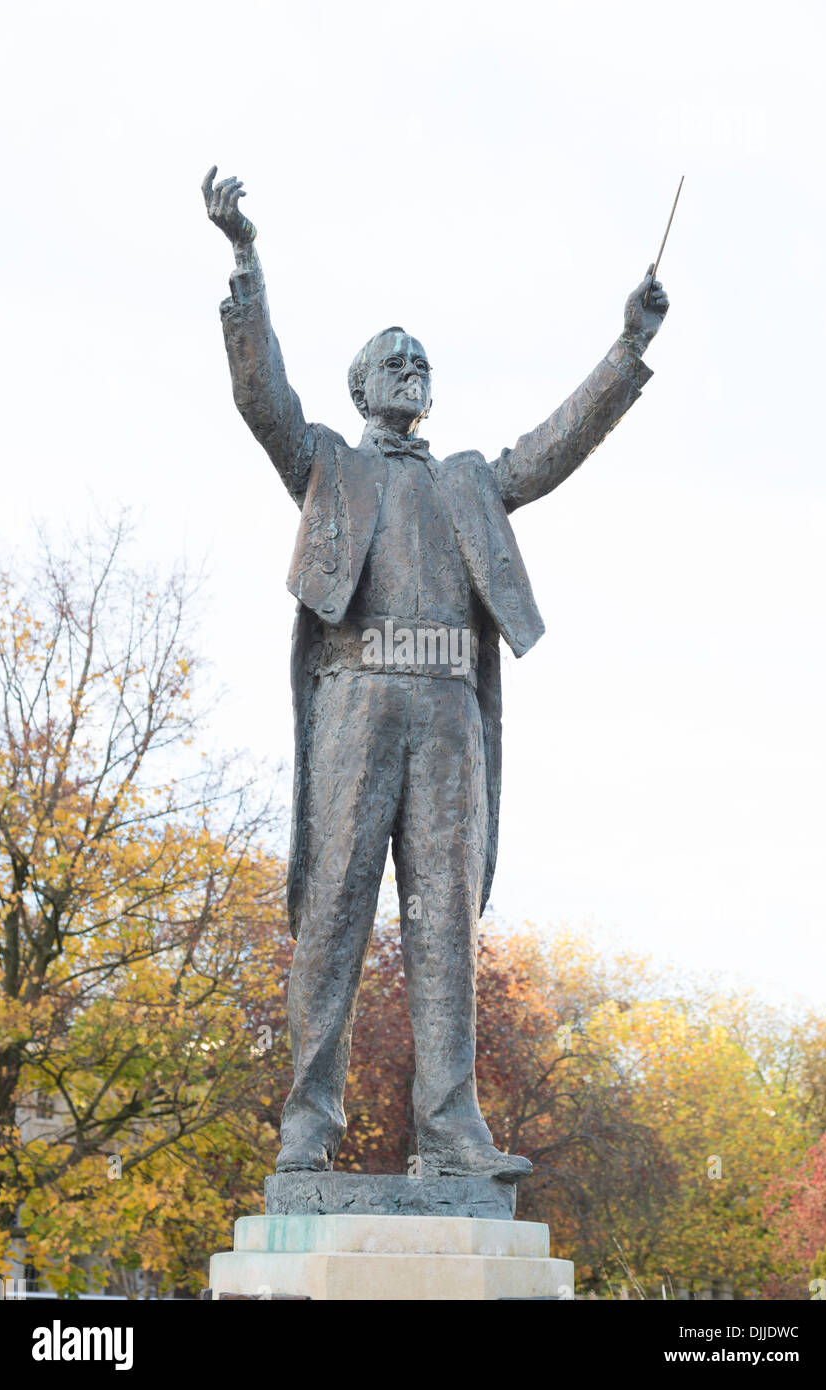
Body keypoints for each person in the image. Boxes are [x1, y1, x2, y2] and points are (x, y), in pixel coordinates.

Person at [202, 167, 669, 1181]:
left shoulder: (468, 481)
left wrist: (627, 347)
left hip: (450, 716)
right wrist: (245, 258)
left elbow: (553, 446)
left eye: (422, 361)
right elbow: (259, 393)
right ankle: (309, 1124)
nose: (410, 368)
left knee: (446, 922)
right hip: (356, 702)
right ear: (361, 387)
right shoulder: (329, 463)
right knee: (333, 910)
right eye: (391, 360)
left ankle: (452, 1126)